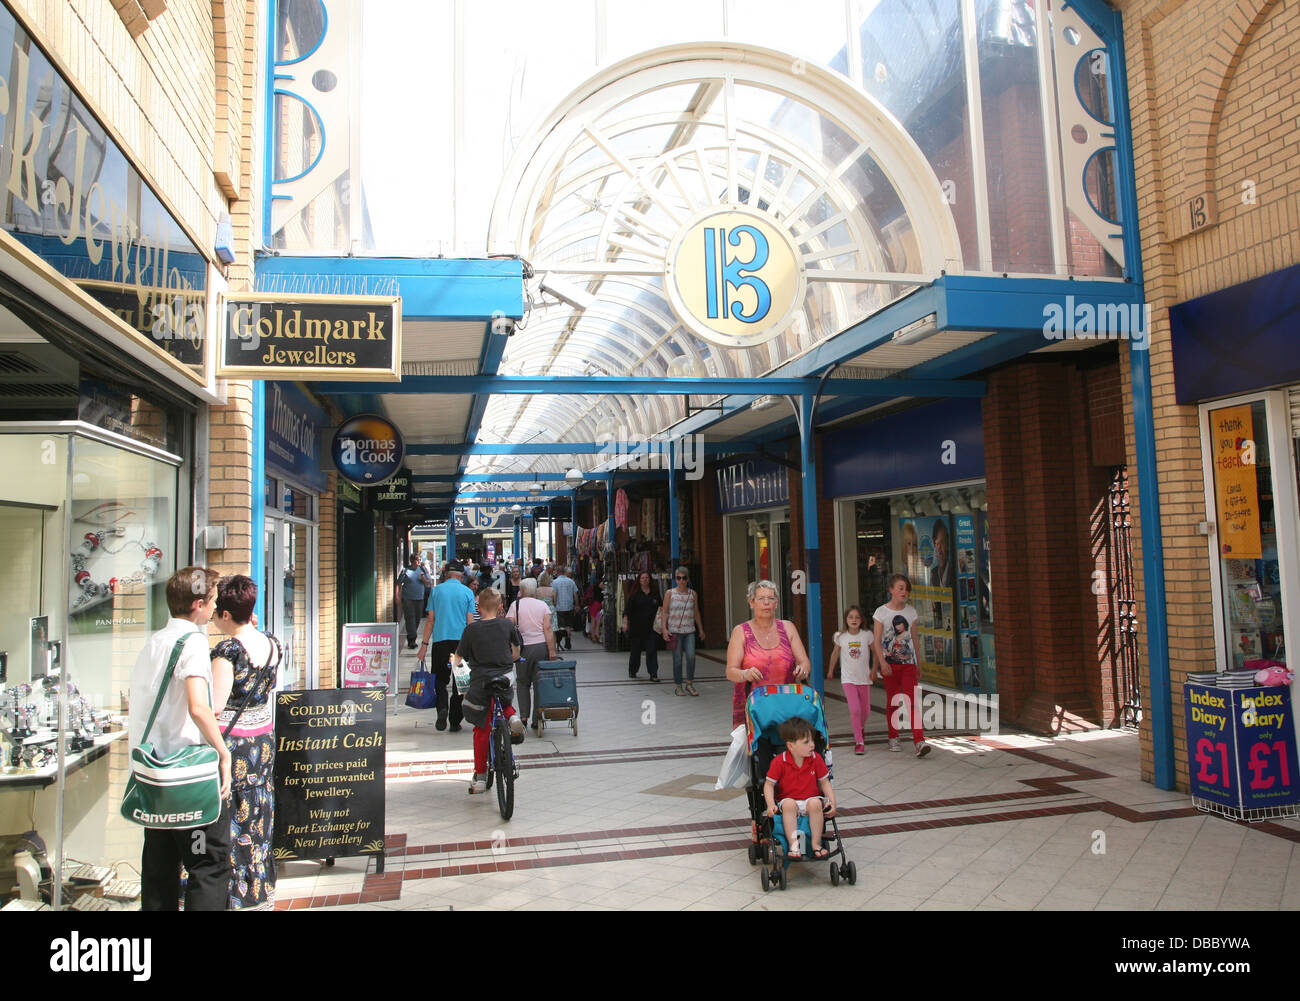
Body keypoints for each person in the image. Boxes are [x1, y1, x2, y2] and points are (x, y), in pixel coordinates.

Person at [128, 566, 232, 911]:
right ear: (199, 605)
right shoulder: (193, 644)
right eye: (213, 602)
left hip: (153, 777)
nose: (215, 610)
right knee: (206, 865)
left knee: (158, 870)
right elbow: (199, 708)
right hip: (188, 779)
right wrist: (223, 753)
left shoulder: (153, 643)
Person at [210, 574, 282, 910]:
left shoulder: (228, 651)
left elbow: (215, 705)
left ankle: (233, 891)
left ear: (226, 615)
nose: (213, 617)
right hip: (263, 739)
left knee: (232, 813)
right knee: (257, 809)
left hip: (234, 746)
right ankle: (258, 887)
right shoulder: (271, 643)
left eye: (215, 612)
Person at [453, 587, 527, 794]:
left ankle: (481, 777)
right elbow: (516, 651)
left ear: (478, 608)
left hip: (481, 681)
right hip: (504, 676)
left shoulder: (471, 630)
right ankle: (512, 718)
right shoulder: (507, 625)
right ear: (501, 606)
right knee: (504, 701)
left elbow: (459, 657)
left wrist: (455, 663)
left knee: (481, 727)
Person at [725, 579, 811, 726]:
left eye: (771, 598)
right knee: (757, 749)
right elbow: (730, 671)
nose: (766, 603)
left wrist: (803, 669)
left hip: (786, 707)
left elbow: (804, 662)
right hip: (753, 709)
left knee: (786, 747)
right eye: (761, 598)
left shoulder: (788, 627)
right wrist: (745, 674)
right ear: (751, 602)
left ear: (776, 603)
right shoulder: (740, 632)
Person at [872, 573, 930, 757]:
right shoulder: (881, 612)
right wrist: (882, 662)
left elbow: (914, 638)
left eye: (906, 589)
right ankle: (893, 736)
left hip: (908, 665)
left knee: (912, 701)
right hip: (890, 665)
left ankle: (919, 741)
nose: (904, 592)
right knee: (893, 702)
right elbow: (877, 640)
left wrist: (918, 662)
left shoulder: (911, 612)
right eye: (900, 588)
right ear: (891, 590)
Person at [764, 717, 836, 860]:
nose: (812, 745)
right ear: (791, 746)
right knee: (789, 805)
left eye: (812, 741)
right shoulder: (780, 761)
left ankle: (816, 843)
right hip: (788, 799)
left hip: (810, 799)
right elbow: (769, 784)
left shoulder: (816, 759)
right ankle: (794, 844)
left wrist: (833, 803)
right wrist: (771, 804)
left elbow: (825, 782)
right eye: (806, 742)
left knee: (816, 803)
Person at [417, 560, 477, 732]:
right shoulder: (467, 592)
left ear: (446, 574)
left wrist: (424, 645)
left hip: (440, 642)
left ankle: (442, 707)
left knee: (440, 680)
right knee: (460, 683)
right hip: (461, 643)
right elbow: (470, 622)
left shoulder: (436, 591)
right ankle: (454, 720)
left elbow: (430, 620)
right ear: (461, 576)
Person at [505, 577, 557, 728]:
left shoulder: (516, 605)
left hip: (523, 650)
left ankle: (523, 716)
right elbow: (548, 629)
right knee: (539, 683)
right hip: (541, 648)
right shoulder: (542, 606)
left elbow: (509, 626)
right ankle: (537, 718)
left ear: (521, 590)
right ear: (535, 590)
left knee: (522, 683)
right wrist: (552, 651)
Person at [826, 605, 876, 755]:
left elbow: (876, 652)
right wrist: (830, 670)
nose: (854, 620)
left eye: (857, 617)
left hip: (864, 678)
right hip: (848, 679)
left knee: (865, 711)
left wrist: (874, 670)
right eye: (850, 617)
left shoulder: (867, 635)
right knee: (855, 710)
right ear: (846, 620)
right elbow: (835, 654)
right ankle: (859, 741)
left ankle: (860, 728)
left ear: (861, 620)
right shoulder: (840, 637)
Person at [662, 567, 706, 696]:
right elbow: (664, 612)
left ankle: (689, 683)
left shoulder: (693, 594)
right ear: (675, 579)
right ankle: (678, 685)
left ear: (688, 579)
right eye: (679, 578)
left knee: (691, 657)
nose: (681, 581)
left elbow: (696, 612)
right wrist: (664, 629)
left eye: (684, 578)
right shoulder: (670, 593)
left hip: (689, 631)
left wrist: (701, 629)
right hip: (674, 631)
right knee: (677, 659)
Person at [623, 570, 662, 681]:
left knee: (652, 650)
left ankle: (653, 674)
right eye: (642, 578)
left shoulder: (655, 594)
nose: (645, 580)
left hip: (651, 628)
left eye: (647, 578)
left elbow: (661, 608)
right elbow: (627, 610)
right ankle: (633, 670)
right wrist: (625, 623)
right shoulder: (634, 594)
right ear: (639, 581)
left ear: (650, 580)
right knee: (635, 651)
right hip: (636, 627)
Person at [395, 555, 432, 650]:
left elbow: (428, 583)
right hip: (408, 599)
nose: (419, 561)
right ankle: (412, 640)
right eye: (417, 560)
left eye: (420, 560)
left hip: (420, 599)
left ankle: (411, 636)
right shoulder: (405, 571)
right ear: (412, 561)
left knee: (417, 619)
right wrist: (397, 595)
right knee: (410, 618)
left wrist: (423, 579)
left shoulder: (422, 570)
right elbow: (398, 583)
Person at [551, 565, 578, 651]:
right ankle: (568, 641)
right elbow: (575, 594)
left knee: (560, 626)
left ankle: (558, 642)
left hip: (559, 607)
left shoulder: (554, 582)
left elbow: (553, 595)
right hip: (569, 607)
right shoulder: (571, 581)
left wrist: (553, 604)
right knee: (568, 625)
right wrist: (577, 605)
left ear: (557, 572)